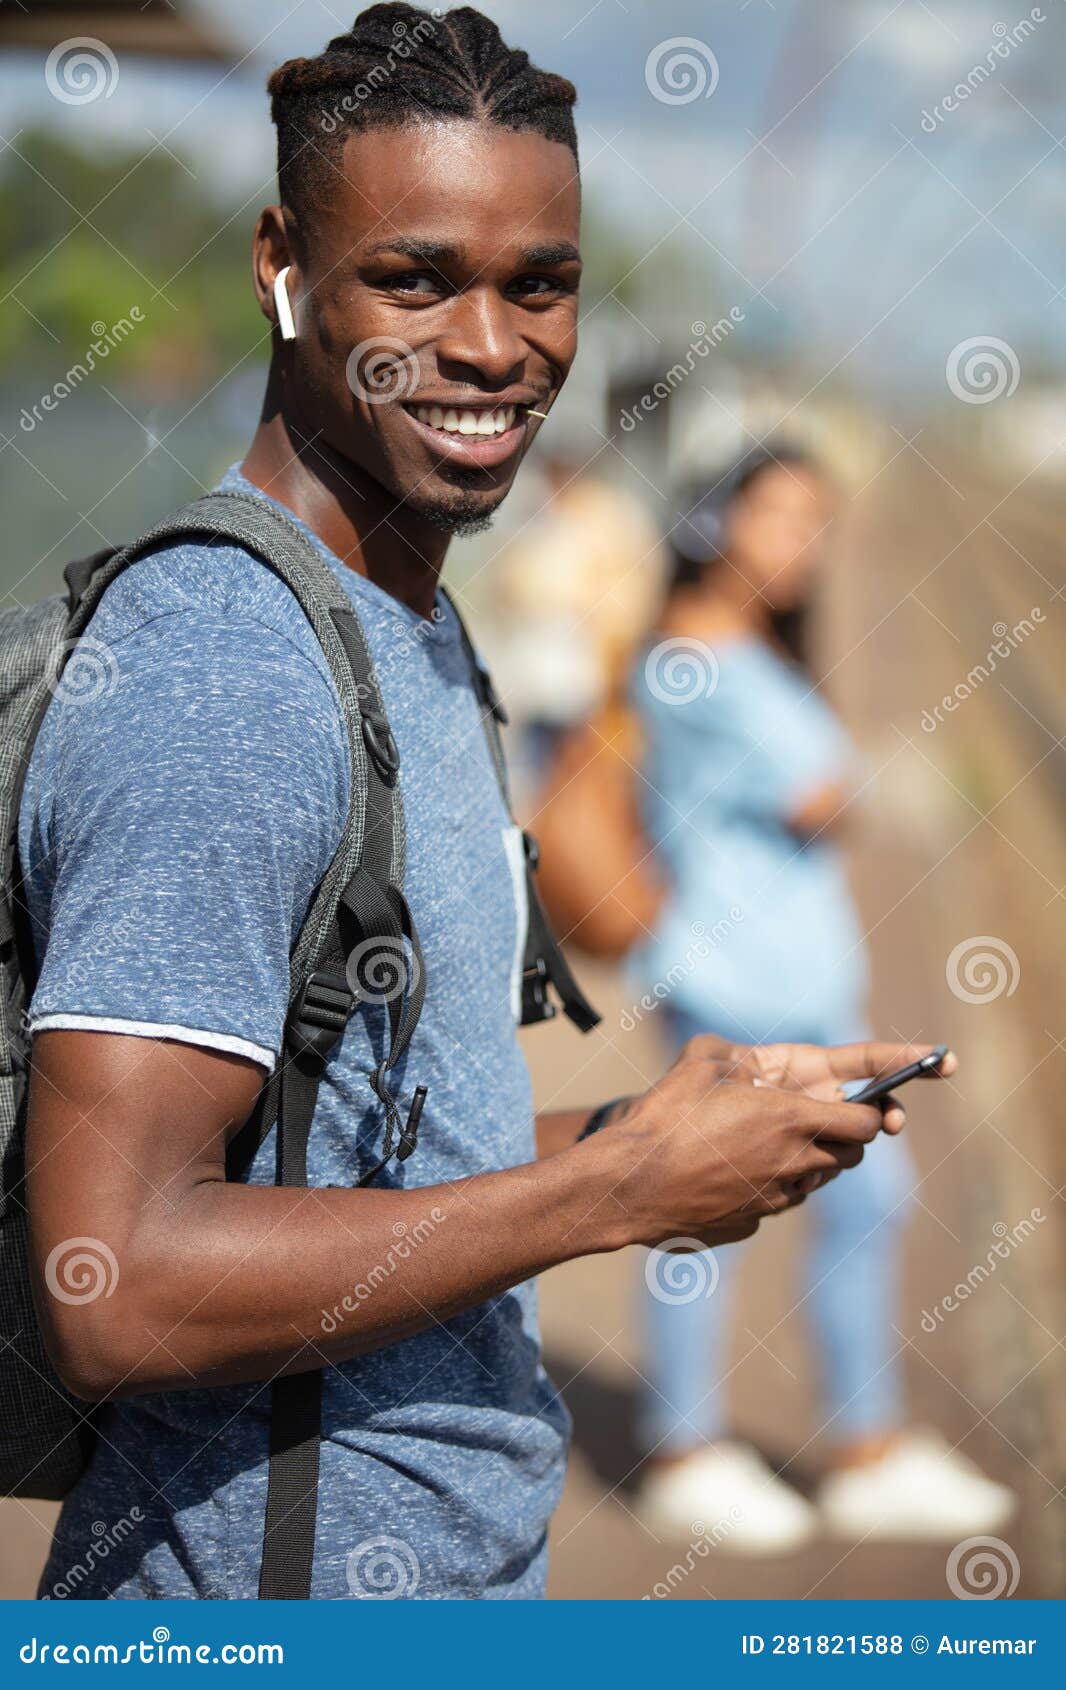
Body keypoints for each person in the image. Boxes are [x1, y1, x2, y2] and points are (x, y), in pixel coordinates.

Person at [20, 8, 947, 1600]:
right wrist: (610, 1195)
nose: (490, 346)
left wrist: (647, 1132)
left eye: (540, 284)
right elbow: (112, 1279)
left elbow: (363, 1156)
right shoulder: (226, 672)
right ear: (281, 269)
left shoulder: (420, 628)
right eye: (415, 277)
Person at [631, 447, 1015, 1550]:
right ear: (712, 523)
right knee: (707, 1217)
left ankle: (862, 1446)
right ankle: (685, 1449)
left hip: (800, 986)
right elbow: (815, 791)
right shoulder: (690, 659)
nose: (805, 541)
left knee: (862, 1198)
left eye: (816, 521)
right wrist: (869, 776)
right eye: (781, 515)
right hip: (732, 985)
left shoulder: (751, 649)